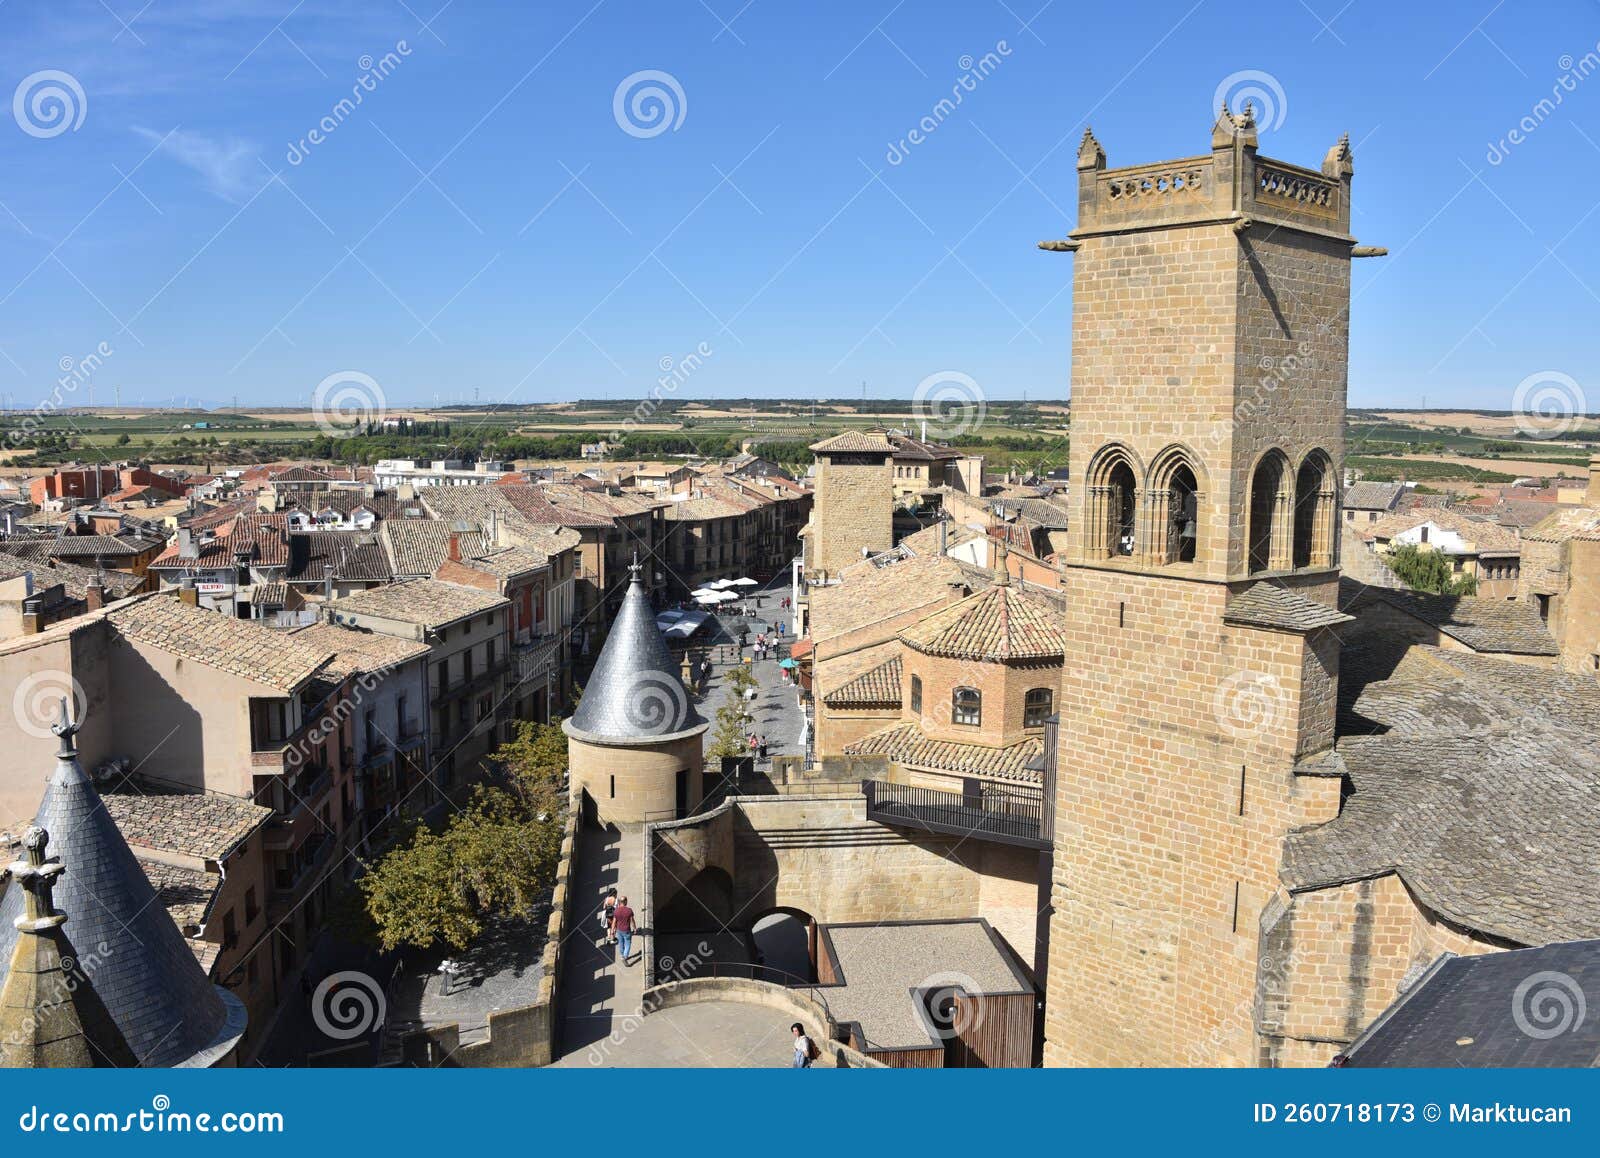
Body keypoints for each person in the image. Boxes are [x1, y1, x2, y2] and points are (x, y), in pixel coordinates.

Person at [612, 896, 636, 965]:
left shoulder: (616, 911)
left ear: (620, 902)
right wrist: (634, 928)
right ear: (625, 901)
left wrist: (612, 931)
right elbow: (632, 921)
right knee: (628, 943)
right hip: (627, 930)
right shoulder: (629, 910)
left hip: (619, 930)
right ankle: (624, 957)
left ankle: (622, 954)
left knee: (621, 943)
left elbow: (614, 922)